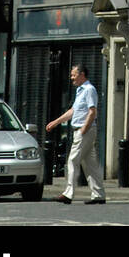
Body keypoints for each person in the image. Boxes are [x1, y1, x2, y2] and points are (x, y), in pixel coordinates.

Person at [46, 63, 106, 205]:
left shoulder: (89, 90)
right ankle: (98, 195)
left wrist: (84, 129)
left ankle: (68, 193)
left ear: (82, 75)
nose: (71, 77)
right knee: (90, 164)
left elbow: (92, 111)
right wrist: (56, 122)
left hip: (84, 130)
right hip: (82, 130)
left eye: (73, 74)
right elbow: (73, 111)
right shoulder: (80, 90)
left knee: (73, 160)